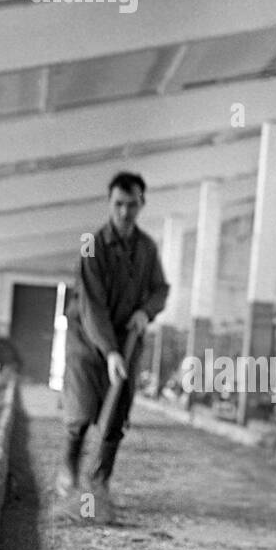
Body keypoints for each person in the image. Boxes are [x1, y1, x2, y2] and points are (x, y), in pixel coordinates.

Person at [57, 172, 169, 506]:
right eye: (118, 204)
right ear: (110, 203)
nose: (124, 212)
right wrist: (108, 351)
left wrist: (145, 312)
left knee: (116, 415)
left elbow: (161, 289)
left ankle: (97, 487)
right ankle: (68, 474)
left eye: (131, 204)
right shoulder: (92, 245)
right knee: (80, 411)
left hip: (126, 341)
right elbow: (92, 304)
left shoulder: (147, 247)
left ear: (142, 204)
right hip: (87, 339)